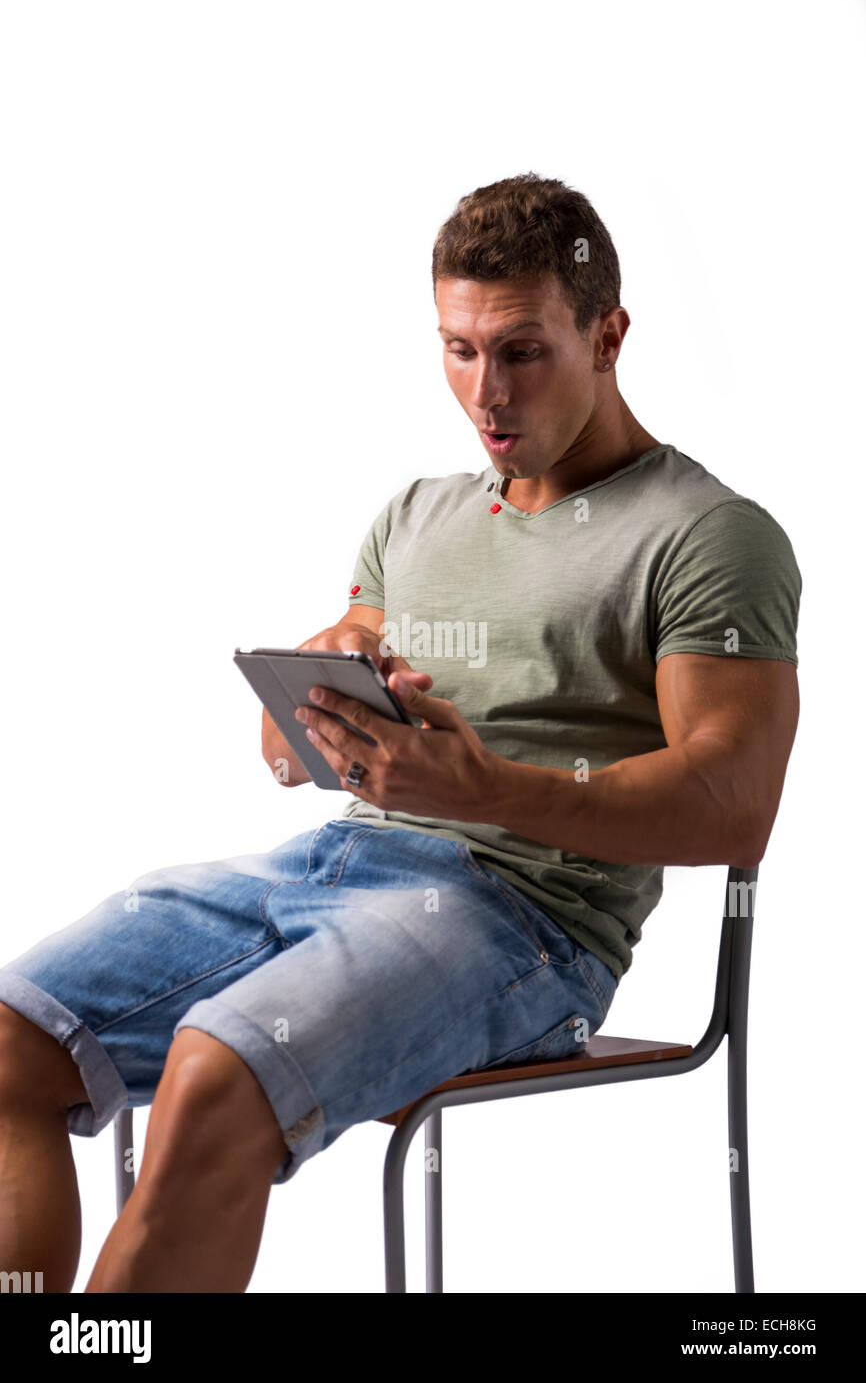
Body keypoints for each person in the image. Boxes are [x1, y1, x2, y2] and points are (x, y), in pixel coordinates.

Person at [0, 172, 801, 1293]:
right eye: (459, 350)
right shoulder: (417, 512)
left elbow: (733, 803)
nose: (486, 391)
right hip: (327, 866)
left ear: (606, 334)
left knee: (217, 1072)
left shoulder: (706, 534)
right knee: (9, 1043)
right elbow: (293, 751)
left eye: (521, 350)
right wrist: (316, 703)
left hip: (526, 925)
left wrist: (482, 790)